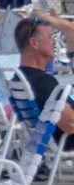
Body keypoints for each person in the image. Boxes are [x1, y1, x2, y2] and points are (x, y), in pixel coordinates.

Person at [15, 15, 74, 148]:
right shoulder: (42, 83)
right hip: (64, 142)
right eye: (50, 37)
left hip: (44, 140)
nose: (54, 42)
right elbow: (71, 125)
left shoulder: (20, 79)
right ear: (34, 43)